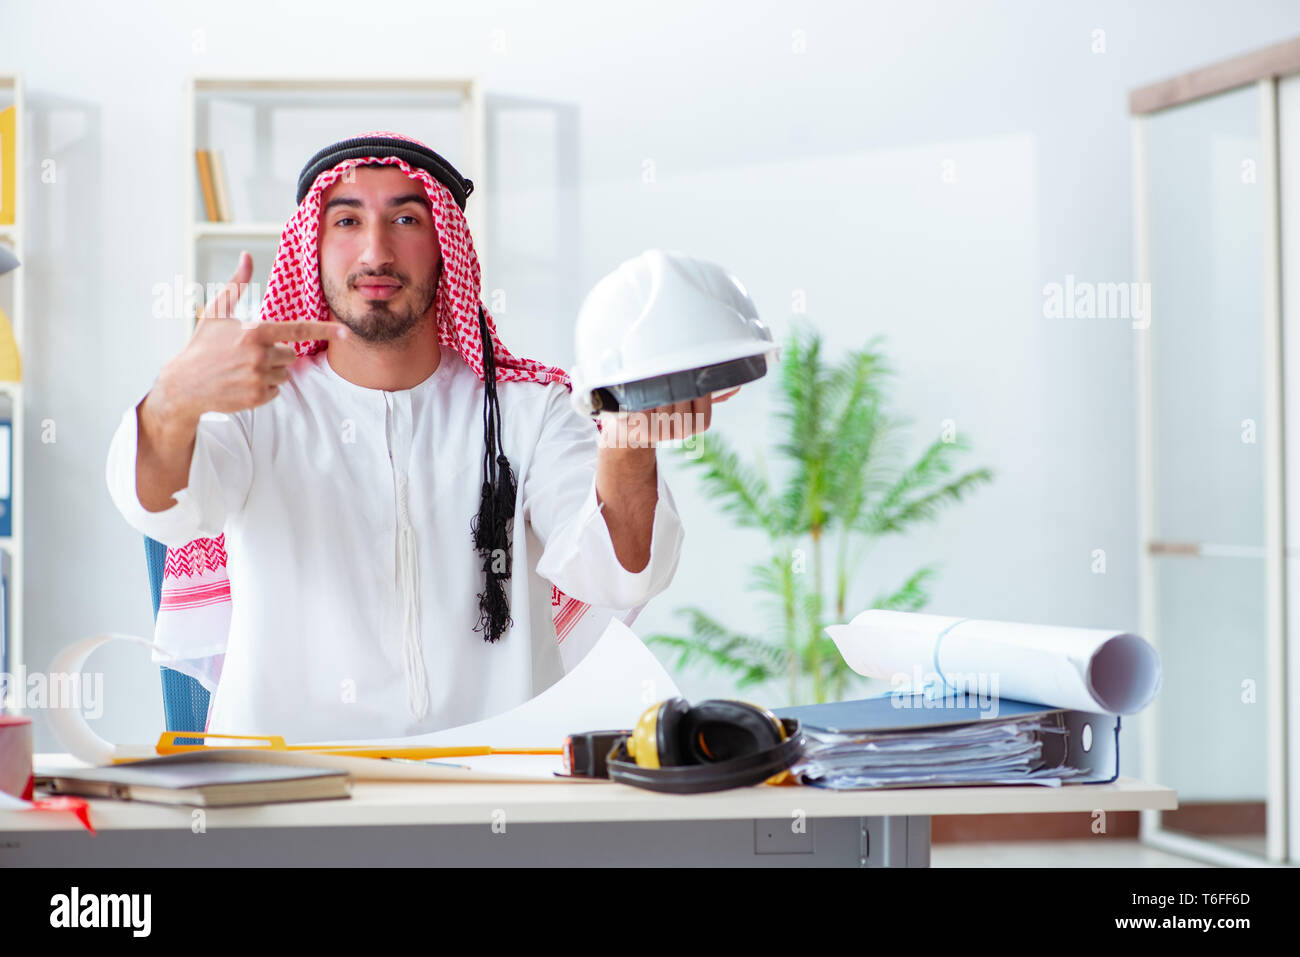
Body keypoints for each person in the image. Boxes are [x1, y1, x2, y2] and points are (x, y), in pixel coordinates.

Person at [106, 132, 732, 743]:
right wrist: (176, 395)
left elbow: (621, 575)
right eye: (346, 221)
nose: (375, 251)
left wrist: (628, 430)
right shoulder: (253, 405)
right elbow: (160, 509)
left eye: (405, 220)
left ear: (445, 249)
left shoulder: (527, 410)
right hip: (286, 794)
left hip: (495, 790)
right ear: (311, 249)